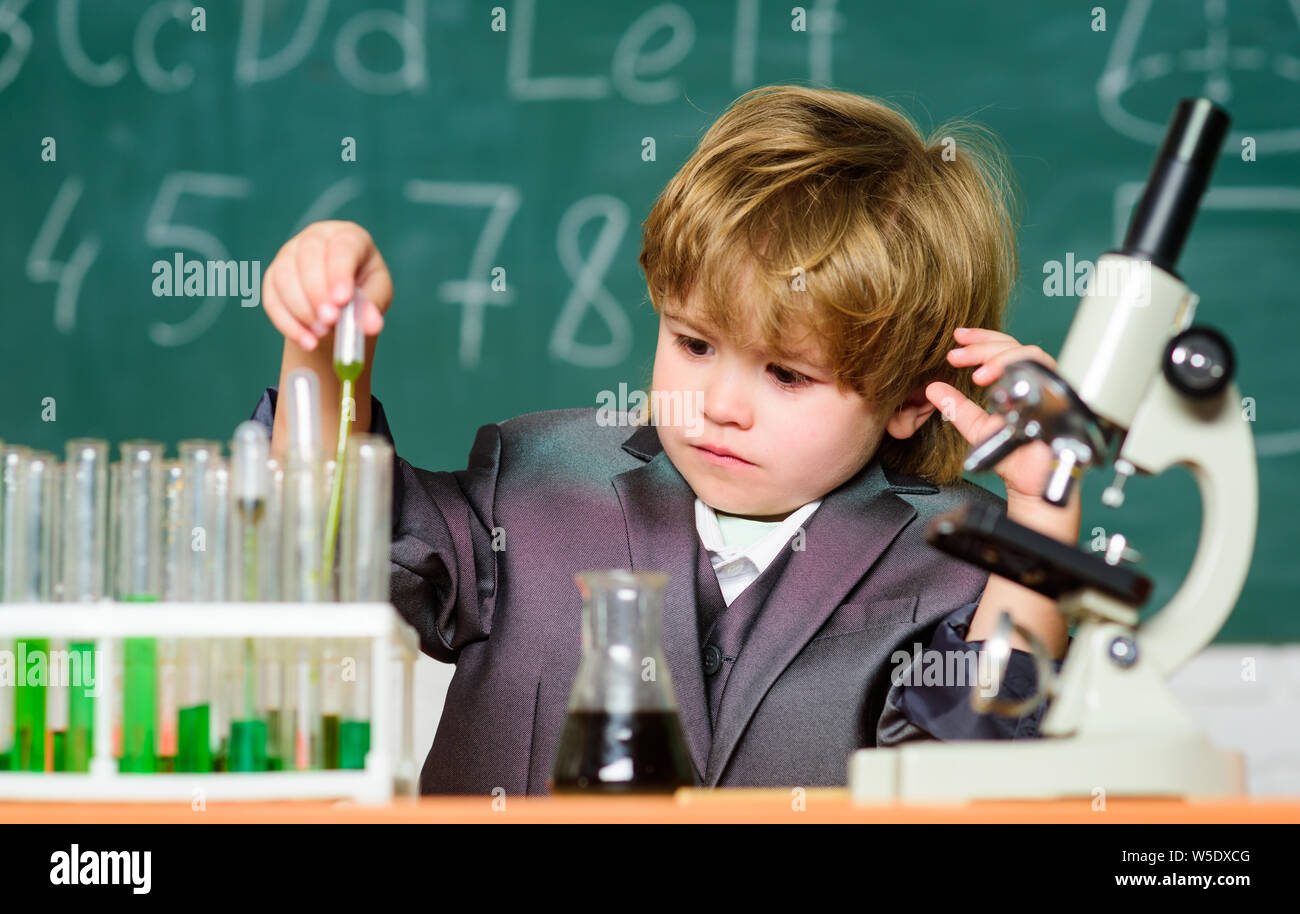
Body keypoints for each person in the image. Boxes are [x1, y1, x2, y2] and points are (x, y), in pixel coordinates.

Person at [249, 85, 1078, 794]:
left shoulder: (961, 562)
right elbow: (326, 538)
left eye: (787, 375)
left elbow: (979, 760)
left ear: (910, 399)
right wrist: (323, 345)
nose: (720, 405)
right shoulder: (533, 486)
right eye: (694, 343)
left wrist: (1042, 512)